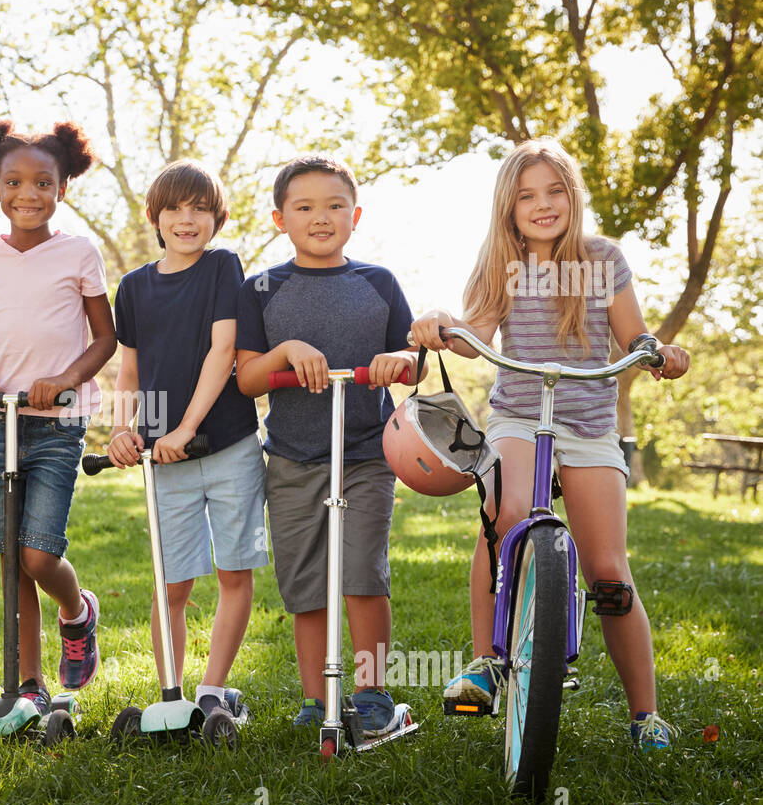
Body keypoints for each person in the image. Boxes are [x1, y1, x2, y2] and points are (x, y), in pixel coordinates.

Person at [410, 137, 690, 751]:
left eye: (555, 191)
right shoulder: (499, 264)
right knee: (502, 514)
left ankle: (645, 716)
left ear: (573, 197)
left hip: (589, 422)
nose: (542, 204)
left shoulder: (603, 258)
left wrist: (661, 354)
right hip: (518, 413)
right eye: (526, 195)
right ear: (508, 207)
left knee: (609, 573)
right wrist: (443, 325)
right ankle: (486, 661)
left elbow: (633, 338)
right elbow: (475, 332)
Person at [235, 155, 421, 733]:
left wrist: (400, 361)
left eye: (335, 205)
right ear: (279, 218)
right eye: (305, 207)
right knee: (306, 583)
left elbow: (411, 362)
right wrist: (287, 348)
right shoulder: (262, 288)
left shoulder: (379, 283)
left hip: (367, 452)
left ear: (356, 215)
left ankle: (371, 693)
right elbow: (246, 378)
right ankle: (317, 700)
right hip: (291, 457)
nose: (322, 217)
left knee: (364, 574)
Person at [0, 119, 116, 712]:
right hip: (1, 420)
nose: (28, 193)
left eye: (43, 183)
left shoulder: (78, 253)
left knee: (38, 553)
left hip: (59, 422)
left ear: (62, 189)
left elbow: (105, 338)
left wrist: (67, 380)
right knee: (10, 557)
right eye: (14, 182)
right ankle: (29, 683)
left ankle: (77, 612)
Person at [105, 159, 268, 720]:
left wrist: (186, 428)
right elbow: (130, 371)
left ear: (217, 218)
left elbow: (223, 353)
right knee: (172, 584)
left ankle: (212, 690)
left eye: (200, 209)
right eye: (174, 208)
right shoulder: (131, 288)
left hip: (229, 446)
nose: (186, 219)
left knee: (233, 571)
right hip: (163, 458)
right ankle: (172, 695)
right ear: (155, 216)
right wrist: (124, 430)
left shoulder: (223, 268)